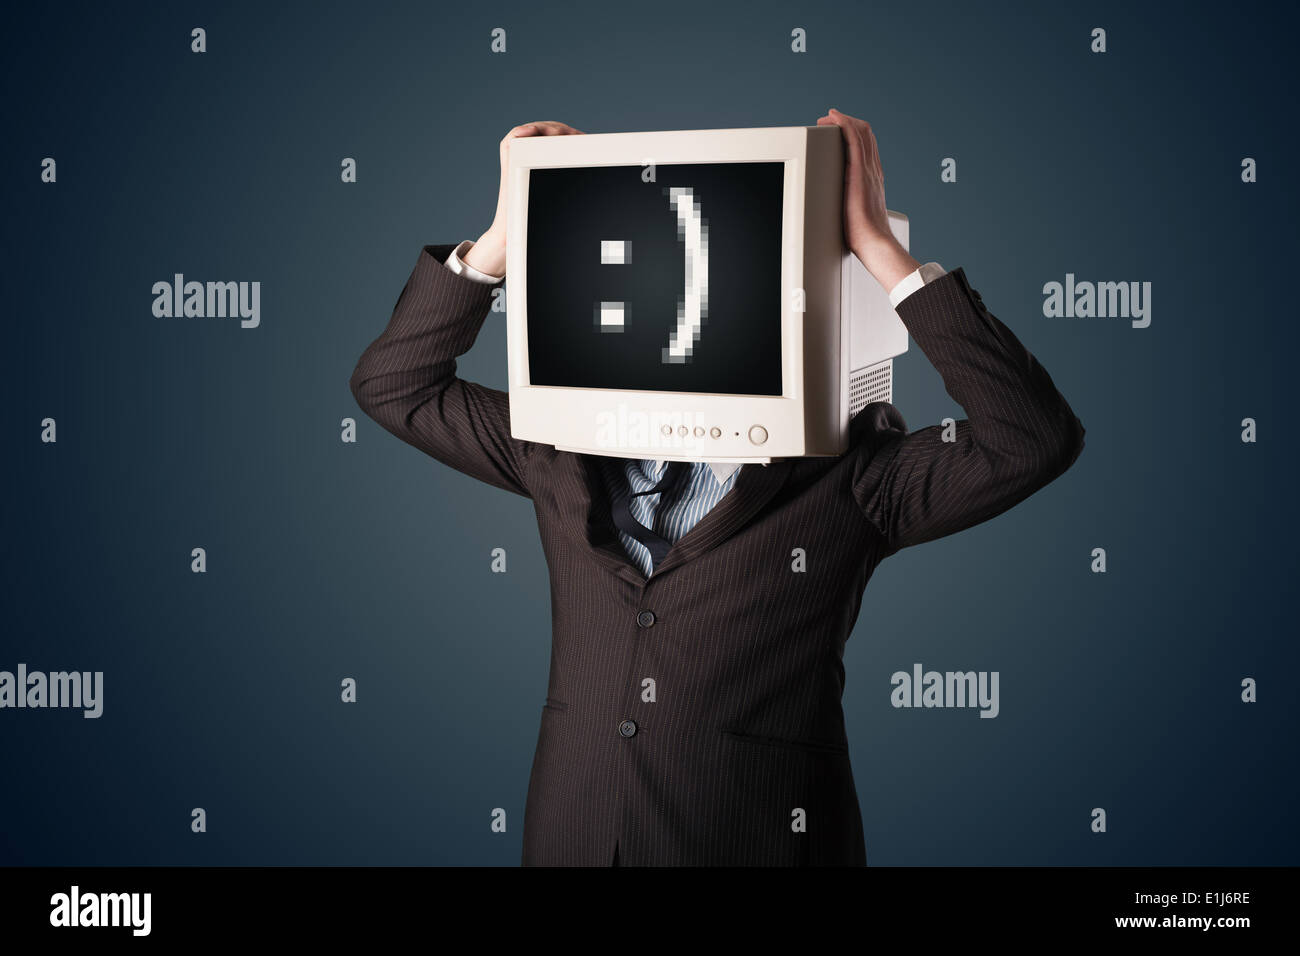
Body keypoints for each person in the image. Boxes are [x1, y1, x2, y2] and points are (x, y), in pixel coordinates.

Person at [349, 110, 1086, 866]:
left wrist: (879, 250)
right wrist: (506, 233)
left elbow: (1032, 439)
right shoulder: (554, 449)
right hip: (572, 835)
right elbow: (394, 385)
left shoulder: (857, 478)